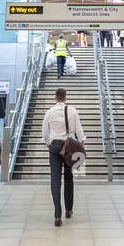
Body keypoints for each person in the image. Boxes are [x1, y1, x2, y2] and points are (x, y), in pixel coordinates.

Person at [40, 87, 85, 226]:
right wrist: (81, 143)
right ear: (65, 97)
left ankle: (57, 215)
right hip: (69, 147)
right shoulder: (72, 111)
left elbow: (45, 134)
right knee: (69, 178)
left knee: (55, 178)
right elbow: (79, 131)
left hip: (54, 146)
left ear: (55, 98)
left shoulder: (49, 112)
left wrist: (49, 144)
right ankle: (69, 210)